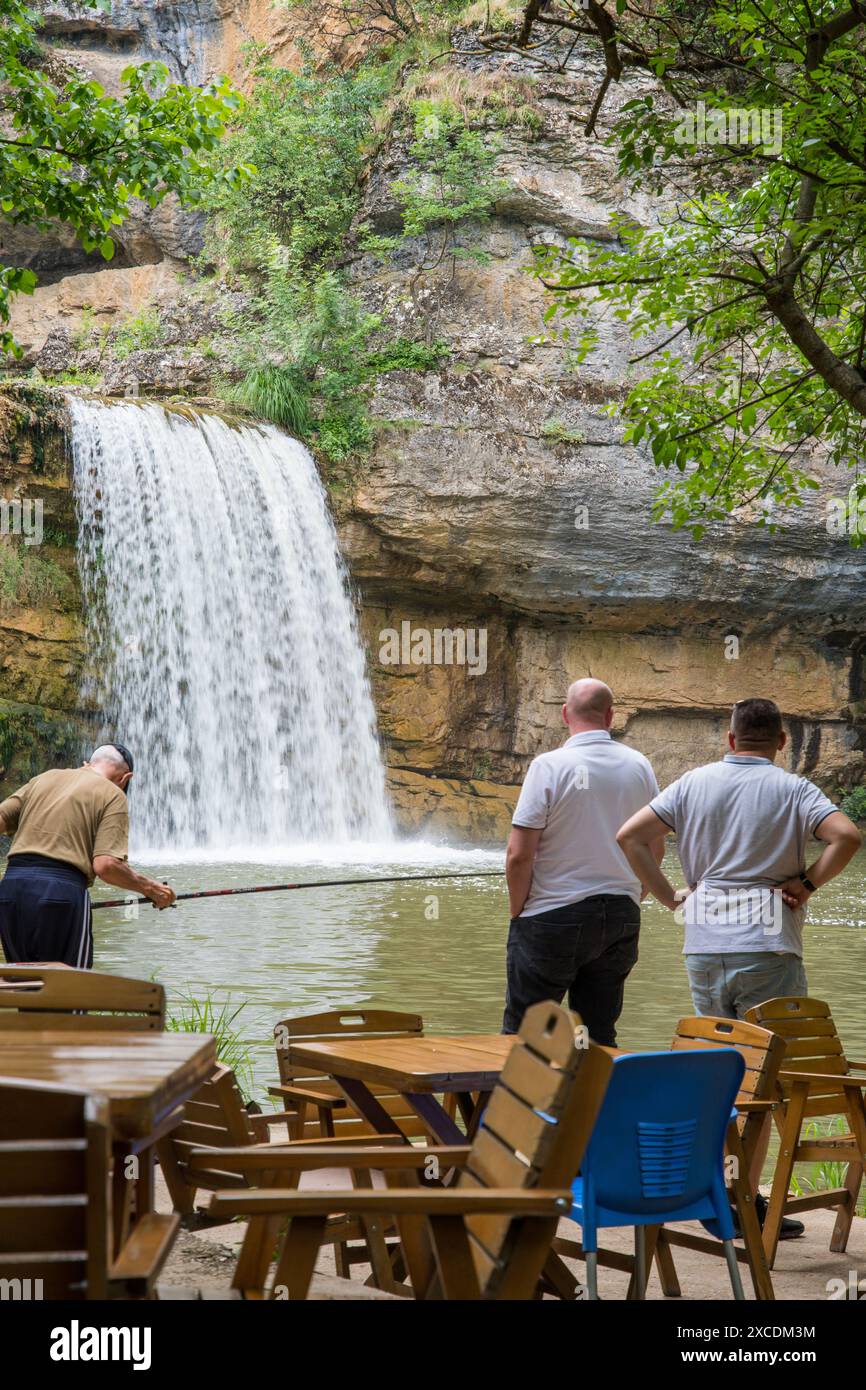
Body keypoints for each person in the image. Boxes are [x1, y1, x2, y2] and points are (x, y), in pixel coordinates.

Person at [616, 697, 861, 1019]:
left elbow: (630, 837)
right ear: (783, 741)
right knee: (772, 1054)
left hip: (704, 944)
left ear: (731, 740)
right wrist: (806, 883)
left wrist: (671, 899)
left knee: (720, 1056)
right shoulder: (795, 789)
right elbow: (847, 836)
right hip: (767, 942)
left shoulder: (691, 783)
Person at [503, 678, 664, 1043]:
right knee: (596, 1036)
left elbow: (519, 854)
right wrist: (631, 895)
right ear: (610, 716)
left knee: (527, 1035)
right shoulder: (639, 766)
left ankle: (526, 1101)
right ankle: (594, 1100)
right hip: (621, 918)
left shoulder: (549, 766)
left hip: (552, 916)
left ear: (564, 715)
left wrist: (518, 911)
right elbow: (656, 850)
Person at [0, 744, 176, 969]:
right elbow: (106, 865)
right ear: (125, 777)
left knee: (26, 985)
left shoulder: (43, 778)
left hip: (10, 891)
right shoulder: (113, 794)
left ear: (86, 764)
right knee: (72, 990)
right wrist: (152, 889)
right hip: (62, 892)